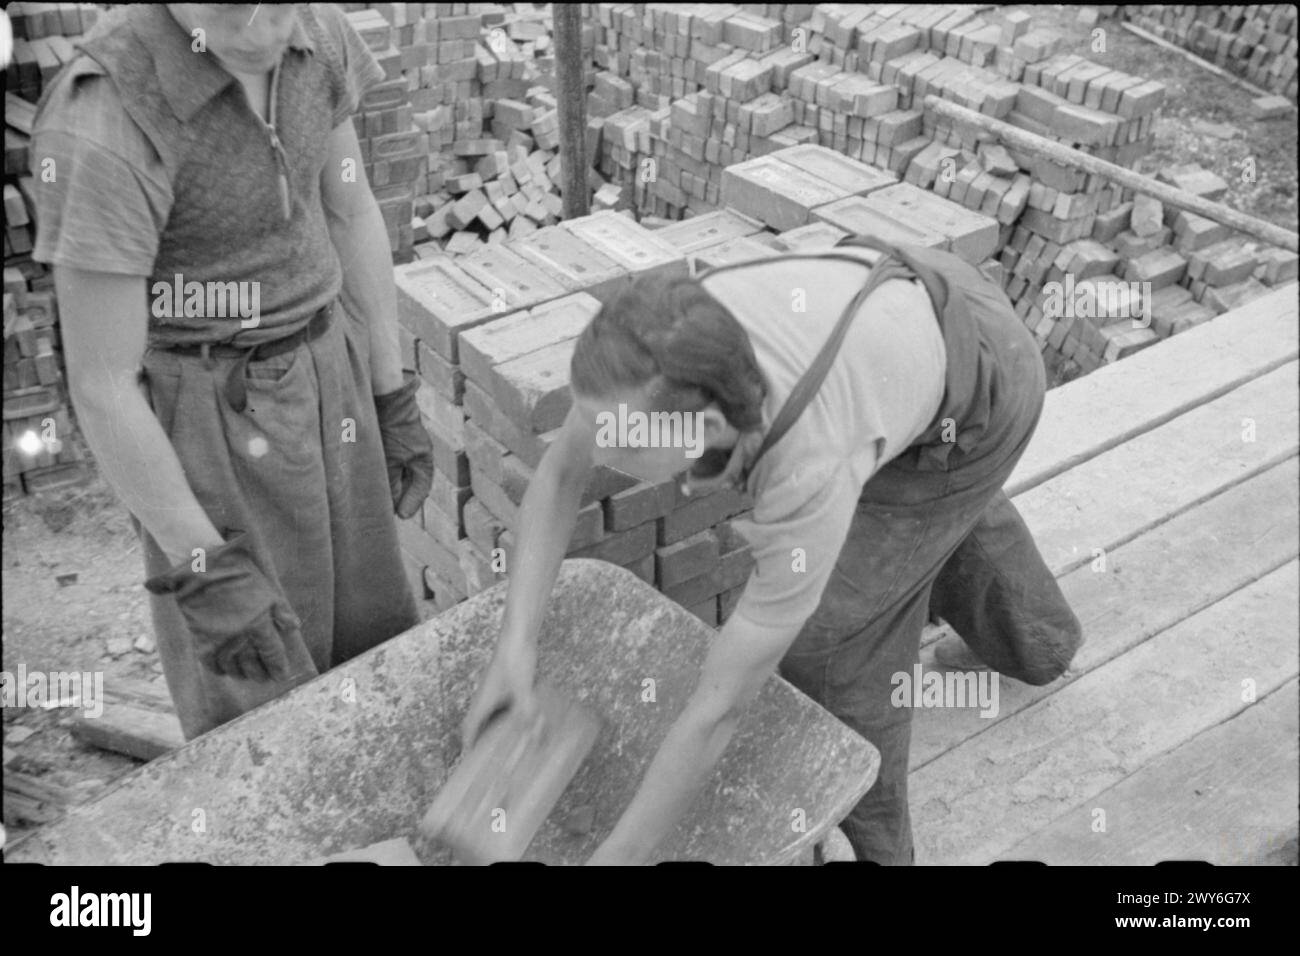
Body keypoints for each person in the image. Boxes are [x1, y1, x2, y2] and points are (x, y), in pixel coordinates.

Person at [462, 237, 1084, 865]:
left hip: (986, 383)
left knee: (833, 653)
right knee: (928, 510)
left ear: (699, 430)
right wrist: (513, 650)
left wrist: (619, 856)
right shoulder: (651, 362)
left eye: (615, 442)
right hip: (900, 319)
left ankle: (884, 857)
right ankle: (1041, 640)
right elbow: (561, 473)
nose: (596, 449)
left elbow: (719, 707)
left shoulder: (807, 470)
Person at [31, 3, 432, 739]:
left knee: (376, 649)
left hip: (327, 369)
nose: (264, 31)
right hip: (208, 413)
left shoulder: (318, 34)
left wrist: (389, 386)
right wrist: (200, 563)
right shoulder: (108, 118)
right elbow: (103, 385)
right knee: (260, 696)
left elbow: (350, 211)